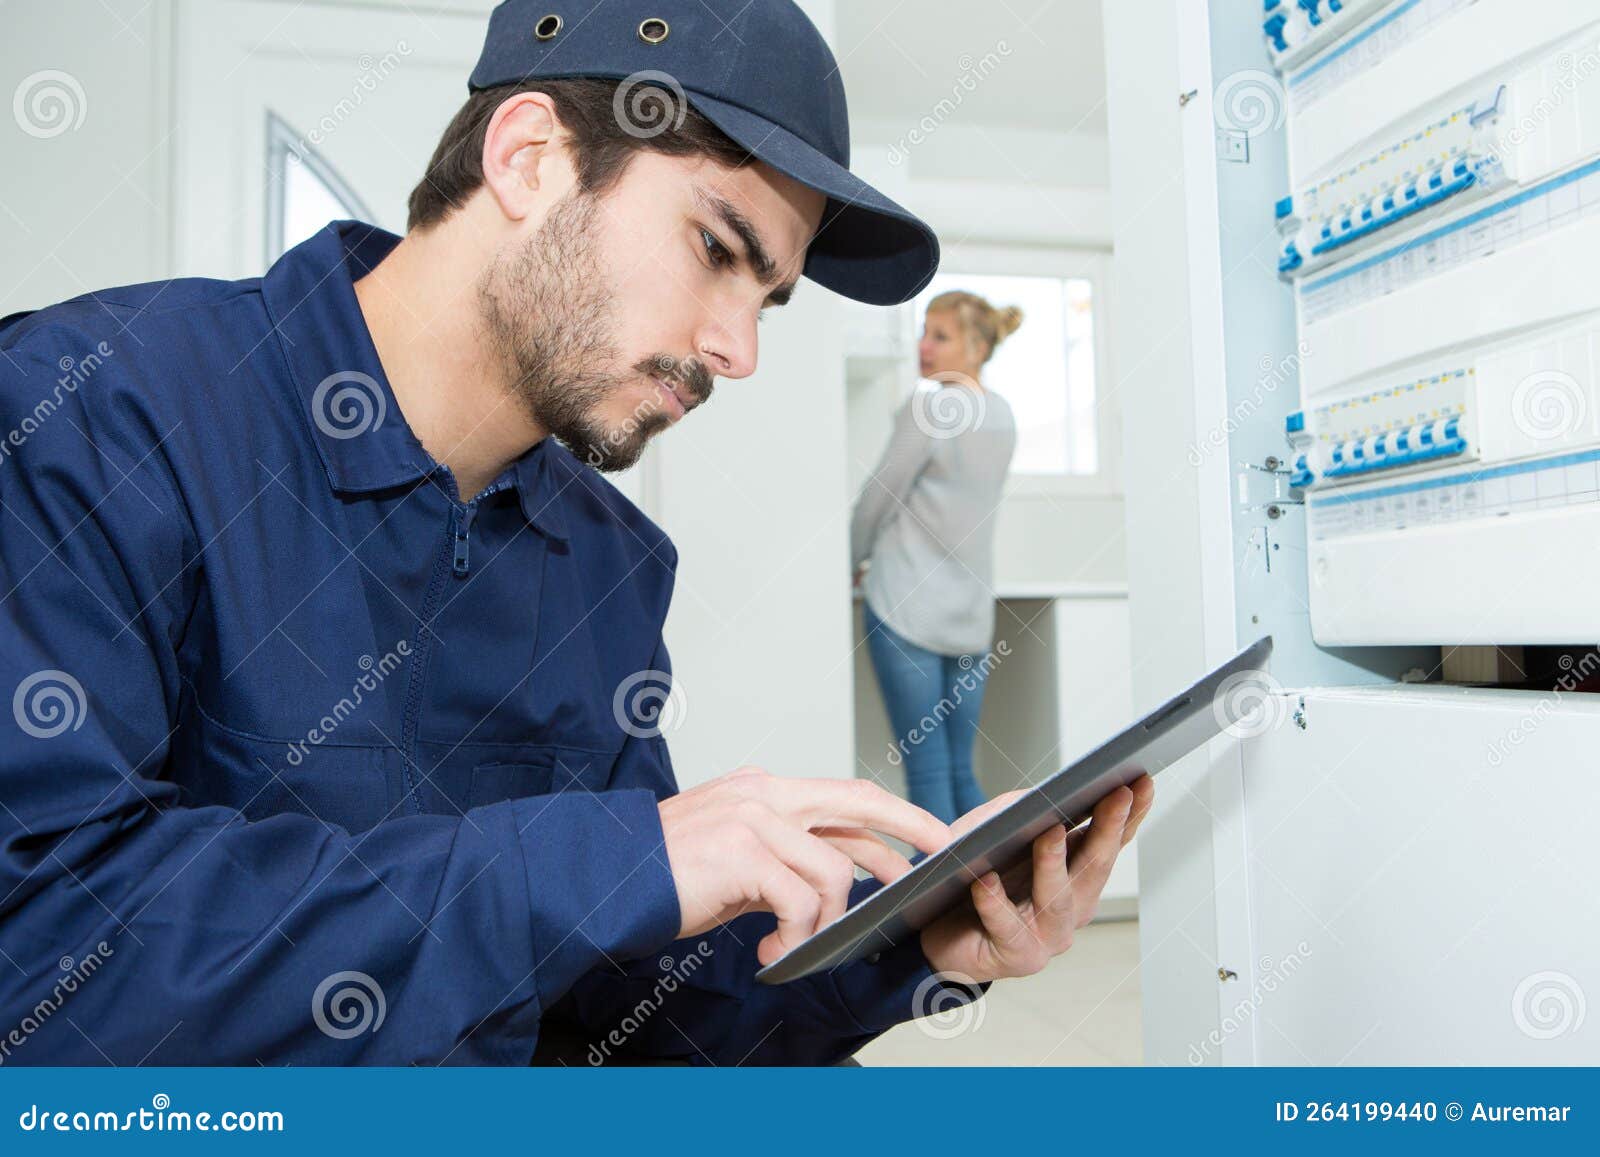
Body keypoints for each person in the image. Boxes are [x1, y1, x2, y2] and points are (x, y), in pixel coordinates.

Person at [0, 0, 1151, 1065]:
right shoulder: (96, 413)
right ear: (527, 158)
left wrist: (914, 939)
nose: (737, 350)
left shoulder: (600, 557)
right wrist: (609, 860)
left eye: (768, 299)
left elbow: (629, 1009)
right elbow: (45, 959)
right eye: (715, 250)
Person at [851, 292, 1023, 824]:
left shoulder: (929, 406)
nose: (925, 346)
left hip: (907, 607)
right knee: (959, 771)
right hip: (970, 617)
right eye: (925, 332)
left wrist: (849, 560)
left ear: (976, 346)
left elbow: (878, 499)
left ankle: (939, 907)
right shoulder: (1002, 415)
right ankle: (990, 896)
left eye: (941, 336)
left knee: (926, 775)